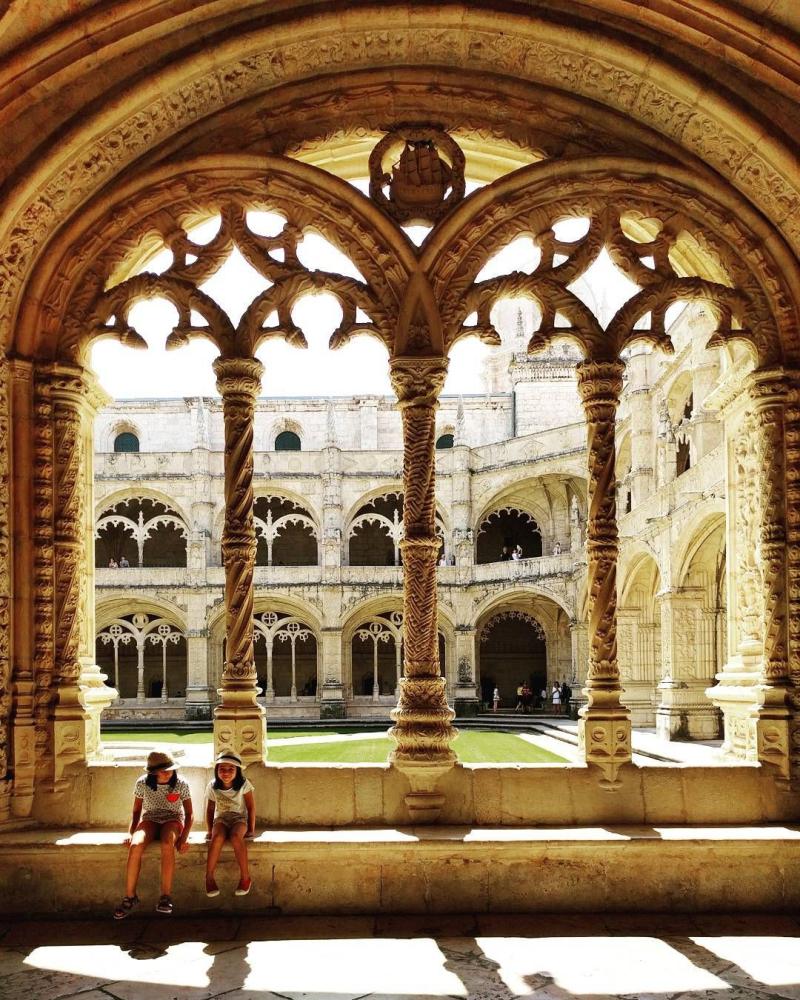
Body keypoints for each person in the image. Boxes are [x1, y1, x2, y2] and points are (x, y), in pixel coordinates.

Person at [113, 750, 193, 919]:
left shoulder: (181, 783)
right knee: (135, 845)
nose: (168, 773)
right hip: (150, 819)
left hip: (172, 820)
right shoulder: (143, 783)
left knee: (167, 843)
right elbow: (136, 811)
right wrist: (131, 832)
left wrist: (184, 837)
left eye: (170, 769)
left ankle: (165, 897)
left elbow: (189, 813)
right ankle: (130, 897)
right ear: (152, 772)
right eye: (163, 770)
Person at [205, 751, 256, 897]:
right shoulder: (212, 786)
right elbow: (210, 809)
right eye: (222, 769)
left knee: (235, 836)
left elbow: (251, 807)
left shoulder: (244, 784)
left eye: (231, 769)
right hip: (221, 819)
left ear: (237, 771)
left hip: (239, 818)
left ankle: (245, 877)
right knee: (217, 837)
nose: (226, 773)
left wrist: (251, 829)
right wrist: (209, 830)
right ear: (216, 770)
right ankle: (209, 877)